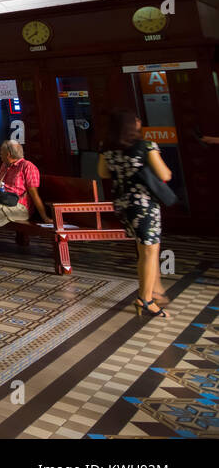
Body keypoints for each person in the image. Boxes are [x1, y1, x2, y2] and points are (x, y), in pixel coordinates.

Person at [99, 110, 172, 318]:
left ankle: (146, 293)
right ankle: (146, 299)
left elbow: (103, 173)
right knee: (150, 251)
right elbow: (165, 173)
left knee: (143, 250)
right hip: (144, 204)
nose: (140, 121)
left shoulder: (107, 148)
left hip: (123, 203)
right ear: (132, 125)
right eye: (136, 119)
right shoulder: (145, 146)